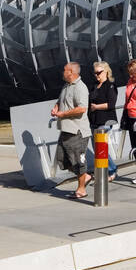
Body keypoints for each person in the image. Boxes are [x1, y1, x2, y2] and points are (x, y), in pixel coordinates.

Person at [51, 61, 91, 198]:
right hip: (65, 130)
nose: (63, 72)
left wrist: (63, 114)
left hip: (77, 131)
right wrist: (56, 107)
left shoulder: (80, 88)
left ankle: (81, 189)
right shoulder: (66, 86)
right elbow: (60, 100)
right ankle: (84, 176)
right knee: (62, 160)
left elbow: (82, 108)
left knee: (78, 161)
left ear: (71, 73)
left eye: (64, 70)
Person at [88, 60, 119, 181]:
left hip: (106, 121)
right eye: (95, 73)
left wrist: (96, 107)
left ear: (106, 72)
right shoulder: (94, 86)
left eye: (99, 72)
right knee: (98, 149)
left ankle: (112, 170)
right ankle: (105, 171)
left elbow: (111, 104)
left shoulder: (110, 85)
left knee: (101, 147)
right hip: (94, 120)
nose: (97, 75)